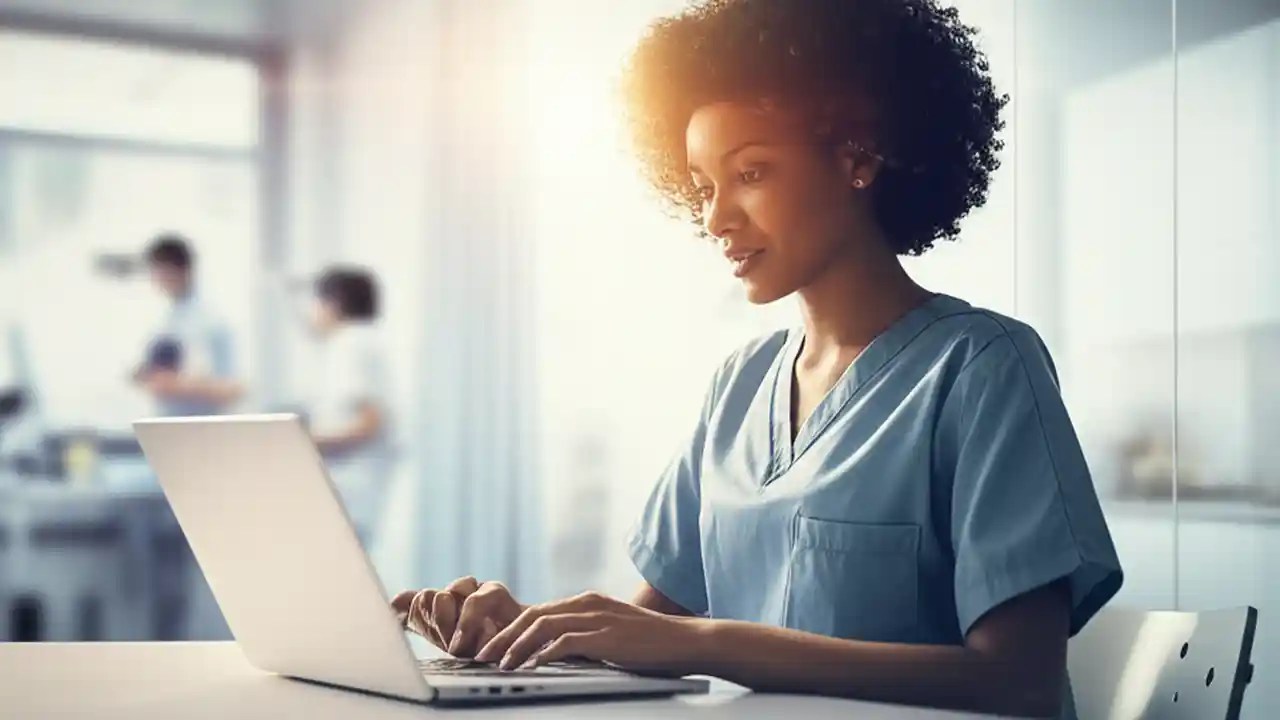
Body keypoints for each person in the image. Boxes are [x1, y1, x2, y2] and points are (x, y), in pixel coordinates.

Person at [393, 1, 1122, 716]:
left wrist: (710, 643)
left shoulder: (983, 366)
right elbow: (650, 632)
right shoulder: (737, 390)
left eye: (750, 174)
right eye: (705, 187)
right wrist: (529, 630)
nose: (715, 218)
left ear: (858, 158)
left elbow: (1018, 681)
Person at [307, 266, 393, 546]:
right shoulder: (366, 342)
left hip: (347, 488)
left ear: (334, 303)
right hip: (357, 490)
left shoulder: (349, 344)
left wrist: (302, 442)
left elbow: (369, 422)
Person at [133, 234, 242, 416]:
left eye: (162, 271)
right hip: (166, 427)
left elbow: (233, 389)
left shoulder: (212, 320)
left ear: (182, 270)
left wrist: (176, 385)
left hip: (201, 431)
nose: (157, 279)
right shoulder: (166, 321)